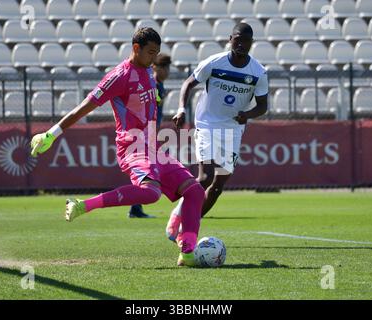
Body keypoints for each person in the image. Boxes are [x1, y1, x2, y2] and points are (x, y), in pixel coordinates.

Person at [30, 28, 204, 267]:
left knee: (195, 191)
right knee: (151, 193)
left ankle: (187, 252)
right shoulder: (119, 76)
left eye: (157, 53)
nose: (154, 58)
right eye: (150, 52)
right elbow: (84, 107)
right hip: (132, 147)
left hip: (153, 148)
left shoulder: (148, 73)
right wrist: (52, 133)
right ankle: (83, 205)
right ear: (136, 48)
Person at [165, 23, 268, 242]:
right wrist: (182, 108)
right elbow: (189, 83)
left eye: (246, 40)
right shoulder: (214, 63)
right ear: (230, 38)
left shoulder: (258, 72)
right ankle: (179, 215)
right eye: (237, 39)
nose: (241, 44)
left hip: (233, 129)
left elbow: (263, 106)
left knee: (218, 186)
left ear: (251, 43)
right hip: (207, 123)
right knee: (205, 177)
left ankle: (188, 227)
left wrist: (247, 115)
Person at [128, 53, 172, 219]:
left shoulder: (159, 86)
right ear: (154, 67)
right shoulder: (153, 85)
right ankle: (135, 207)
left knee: (144, 171)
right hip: (145, 134)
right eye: (164, 67)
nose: (167, 71)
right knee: (145, 171)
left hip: (150, 133)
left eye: (168, 68)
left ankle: (136, 207)